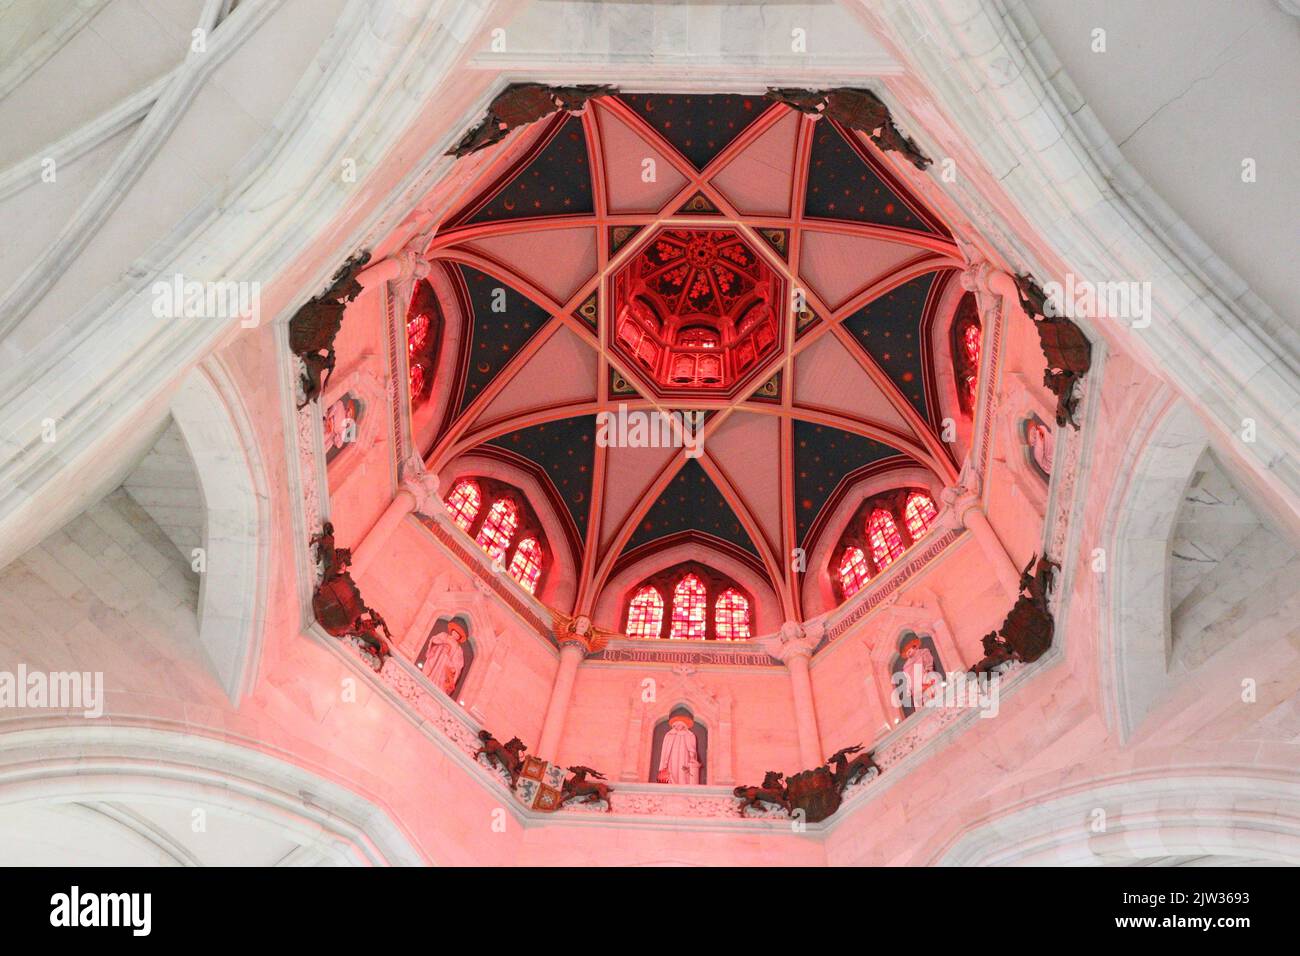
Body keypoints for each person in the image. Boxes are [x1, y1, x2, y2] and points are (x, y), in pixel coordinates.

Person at [421, 622, 468, 696]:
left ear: (459, 637)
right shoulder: (444, 635)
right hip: (436, 658)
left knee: (440, 679)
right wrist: (443, 644)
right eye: (455, 632)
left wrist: (448, 655)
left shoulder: (458, 649)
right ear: (452, 631)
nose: (455, 634)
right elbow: (434, 640)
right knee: (429, 672)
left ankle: (436, 690)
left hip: (445, 665)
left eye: (457, 634)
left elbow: (457, 665)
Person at [656, 714, 702, 785]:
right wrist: (665, 761)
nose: (678, 726)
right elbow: (666, 749)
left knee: (682, 770)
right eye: (677, 725)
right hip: (672, 756)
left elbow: (692, 748)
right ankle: (671, 782)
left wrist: (692, 756)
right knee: (673, 769)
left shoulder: (689, 735)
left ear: (684, 725)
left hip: (684, 756)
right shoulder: (670, 735)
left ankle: (683, 783)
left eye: (680, 724)